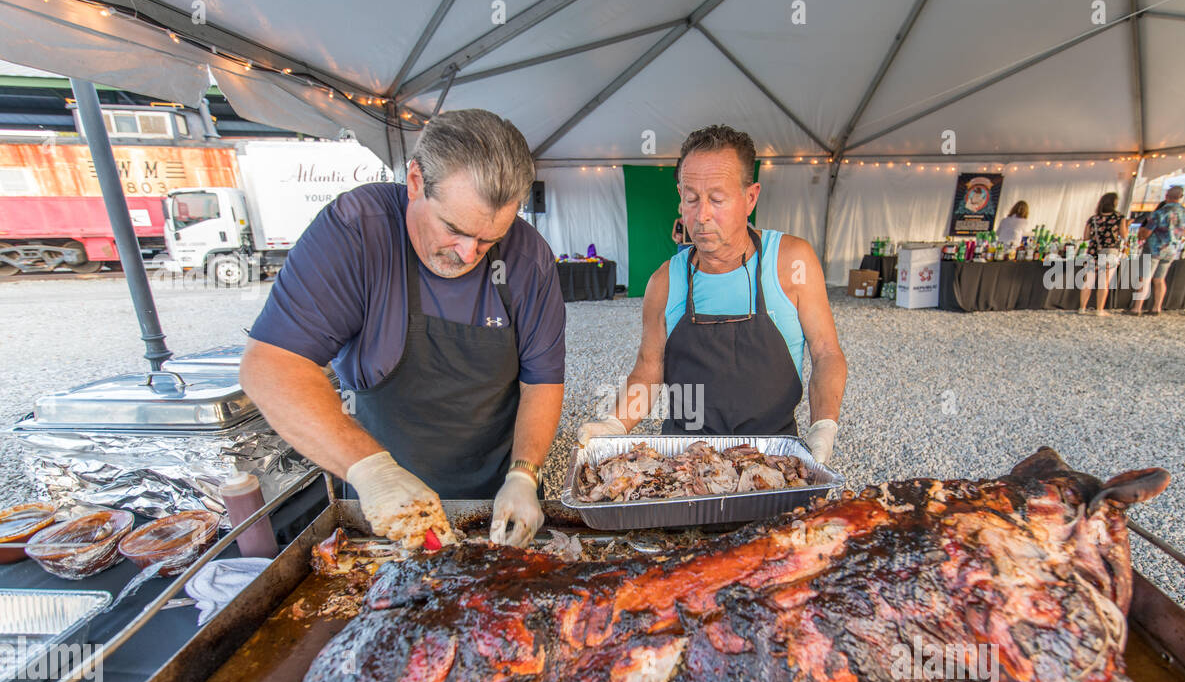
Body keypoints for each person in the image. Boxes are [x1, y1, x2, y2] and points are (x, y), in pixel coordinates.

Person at [240, 109, 566, 548]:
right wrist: (371, 471)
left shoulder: (529, 259)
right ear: (415, 181)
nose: (469, 254)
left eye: (489, 240)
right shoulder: (356, 233)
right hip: (388, 507)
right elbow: (273, 364)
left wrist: (525, 474)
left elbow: (541, 380)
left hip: (496, 499)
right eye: (454, 229)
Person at [576, 124, 846, 462]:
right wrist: (614, 423)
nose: (701, 215)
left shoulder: (791, 262)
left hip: (772, 460)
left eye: (717, 199)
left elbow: (826, 354)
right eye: (691, 199)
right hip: (685, 462)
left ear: (750, 198)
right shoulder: (664, 282)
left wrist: (823, 425)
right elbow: (648, 372)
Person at [1128, 185, 1185, 316]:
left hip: (1154, 248)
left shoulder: (1159, 213)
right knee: (1160, 279)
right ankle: (1157, 307)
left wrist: (1141, 233)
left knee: (1144, 278)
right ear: (1180, 197)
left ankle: (1137, 308)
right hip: (1171, 250)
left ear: (1166, 196)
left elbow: (1147, 233)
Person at [1078, 192, 1124, 315]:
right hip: (1110, 250)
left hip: (1093, 250)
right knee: (1104, 281)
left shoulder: (1093, 219)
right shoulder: (1119, 218)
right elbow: (1124, 235)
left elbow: (1086, 237)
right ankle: (1099, 309)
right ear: (1114, 203)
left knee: (1088, 280)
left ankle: (1082, 308)